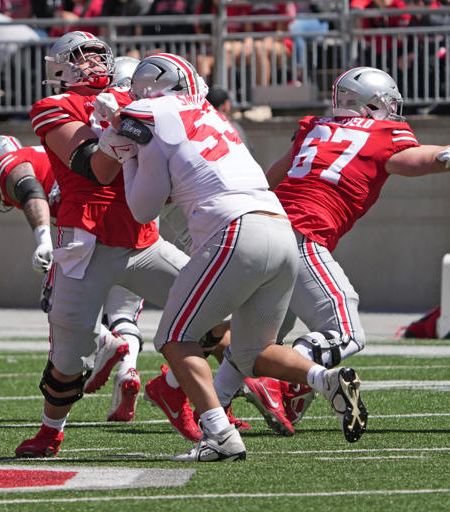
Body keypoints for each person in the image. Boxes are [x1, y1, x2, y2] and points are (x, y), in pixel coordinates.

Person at [97, 53, 370, 461]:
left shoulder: (153, 110)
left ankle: (219, 435)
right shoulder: (210, 114)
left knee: (173, 337)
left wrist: (122, 149)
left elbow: (141, 208)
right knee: (250, 353)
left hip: (235, 231)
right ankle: (323, 379)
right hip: (279, 229)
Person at [238, 66, 450, 435]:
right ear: (372, 104)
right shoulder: (387, 131)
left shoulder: (314, 127)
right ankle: (284, 380)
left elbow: (274, 174)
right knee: (346, 333)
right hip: (302, 236)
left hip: (261, 228)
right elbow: (418, 160)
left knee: (261, 339)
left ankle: (192, 397)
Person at [14, 31, 196, 458]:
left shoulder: (130, 97)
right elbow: (94, 168)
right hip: (85, 244)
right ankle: (50, 432)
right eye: (83, 56)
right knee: (68, 357)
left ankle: (184, 397)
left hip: (142, 238)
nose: (95, 62)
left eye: (99, 54)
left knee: (210, 311)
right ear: (60, 66)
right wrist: (124, 128)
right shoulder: (52, 107)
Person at [0, 134, 147, 423]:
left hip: (87, 228)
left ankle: (104, 342)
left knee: (59, 307)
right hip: (133, 220)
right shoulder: (50, 151)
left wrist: (44, 240)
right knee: (124, 314)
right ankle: (127, 370)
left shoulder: (13, 163)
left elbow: (29, 188)